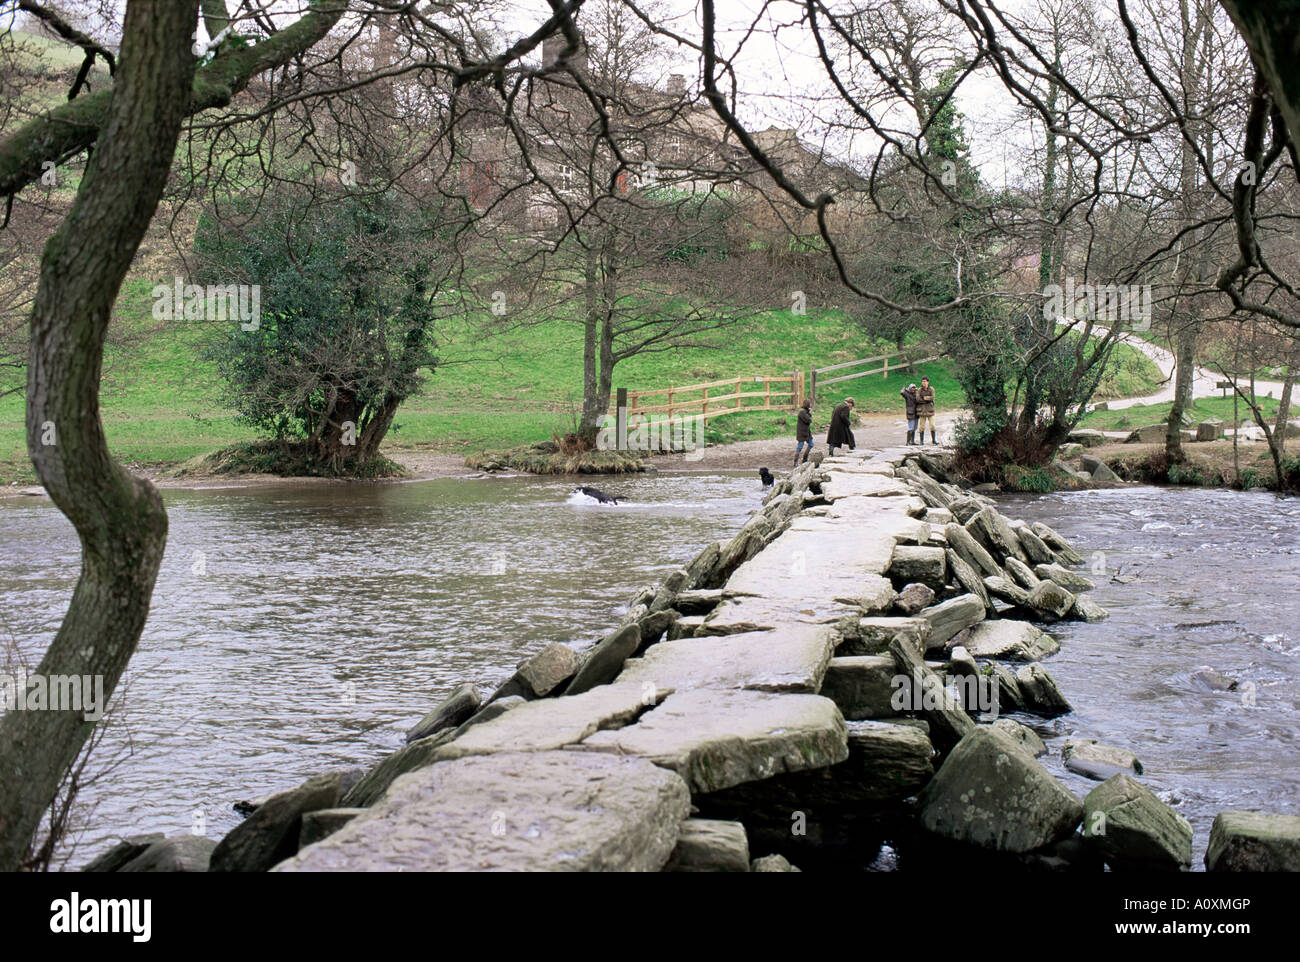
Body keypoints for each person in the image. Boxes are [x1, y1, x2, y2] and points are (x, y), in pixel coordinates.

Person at [915, 376, 936, 445]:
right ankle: (921, 441)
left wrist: (924, 398)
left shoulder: (931, 389)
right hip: (922, 410)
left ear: (928, 382)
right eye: (922, 381)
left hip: (930, 410)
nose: (923, 383)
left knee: (932, 425)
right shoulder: (919, 390)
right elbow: (918, 399)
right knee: (922, 426)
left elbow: (932, 398)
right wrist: (927, 399)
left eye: (925, 381)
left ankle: (934, 440)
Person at [794, 398, 814, 467]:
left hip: (807, 432)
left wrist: (809, 412)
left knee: (811, 444)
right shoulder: (802, 412)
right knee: (800, 446)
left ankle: (804, 459)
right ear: (808, 404)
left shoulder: (806, 412)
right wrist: (809, 414)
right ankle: (795, 462)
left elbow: (809, 419)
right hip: (802, 432)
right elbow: (808, 420)